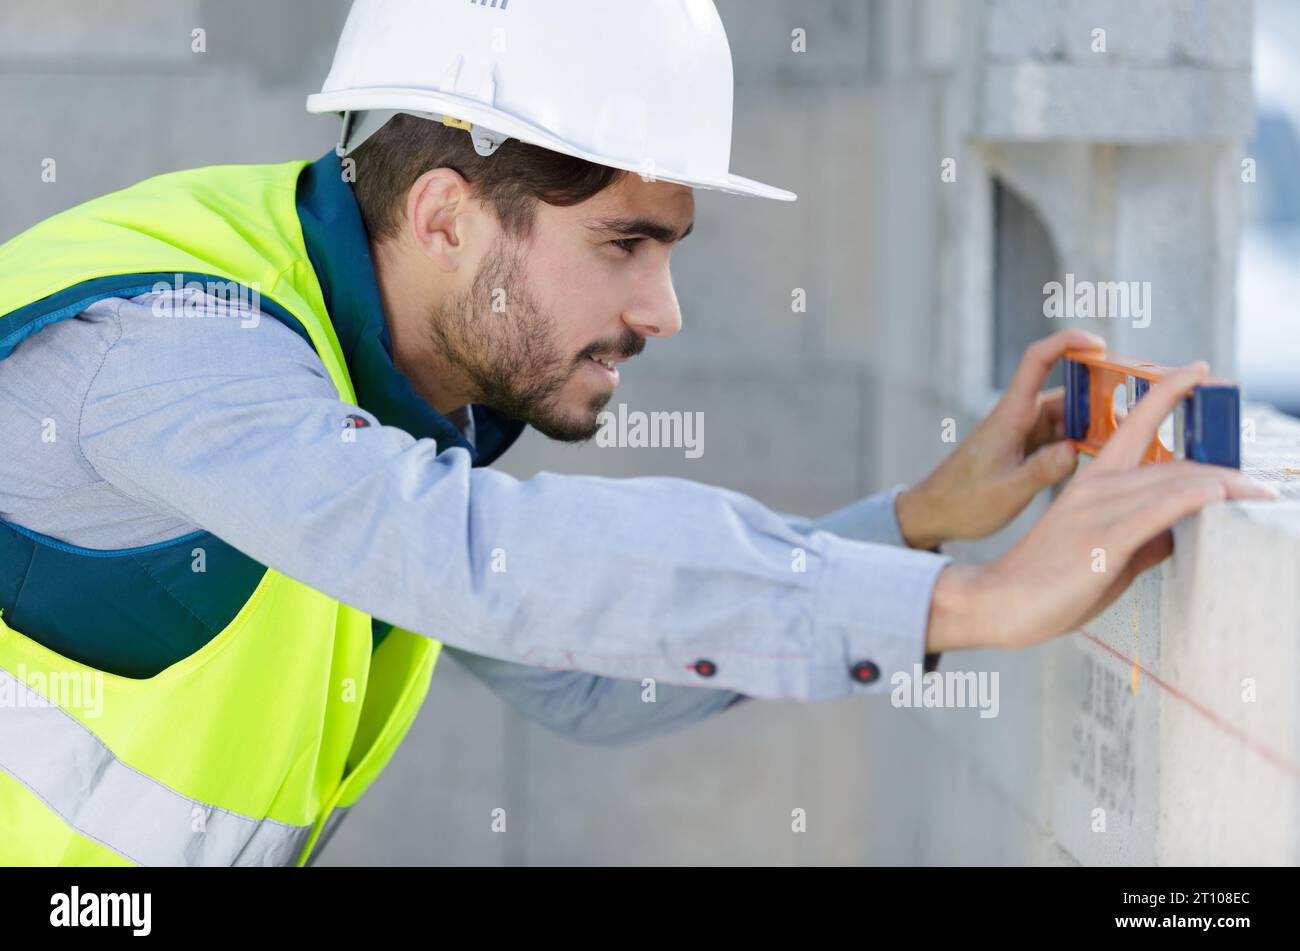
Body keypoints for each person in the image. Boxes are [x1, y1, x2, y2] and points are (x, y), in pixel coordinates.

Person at [0, 0, 1273, 866]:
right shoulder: (172, 344)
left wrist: (915, 528)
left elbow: (581, 669)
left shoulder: (378, 361)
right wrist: (972, 603)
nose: (662, 309)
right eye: (624, 244)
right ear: (445, 215)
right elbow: (479, 555)